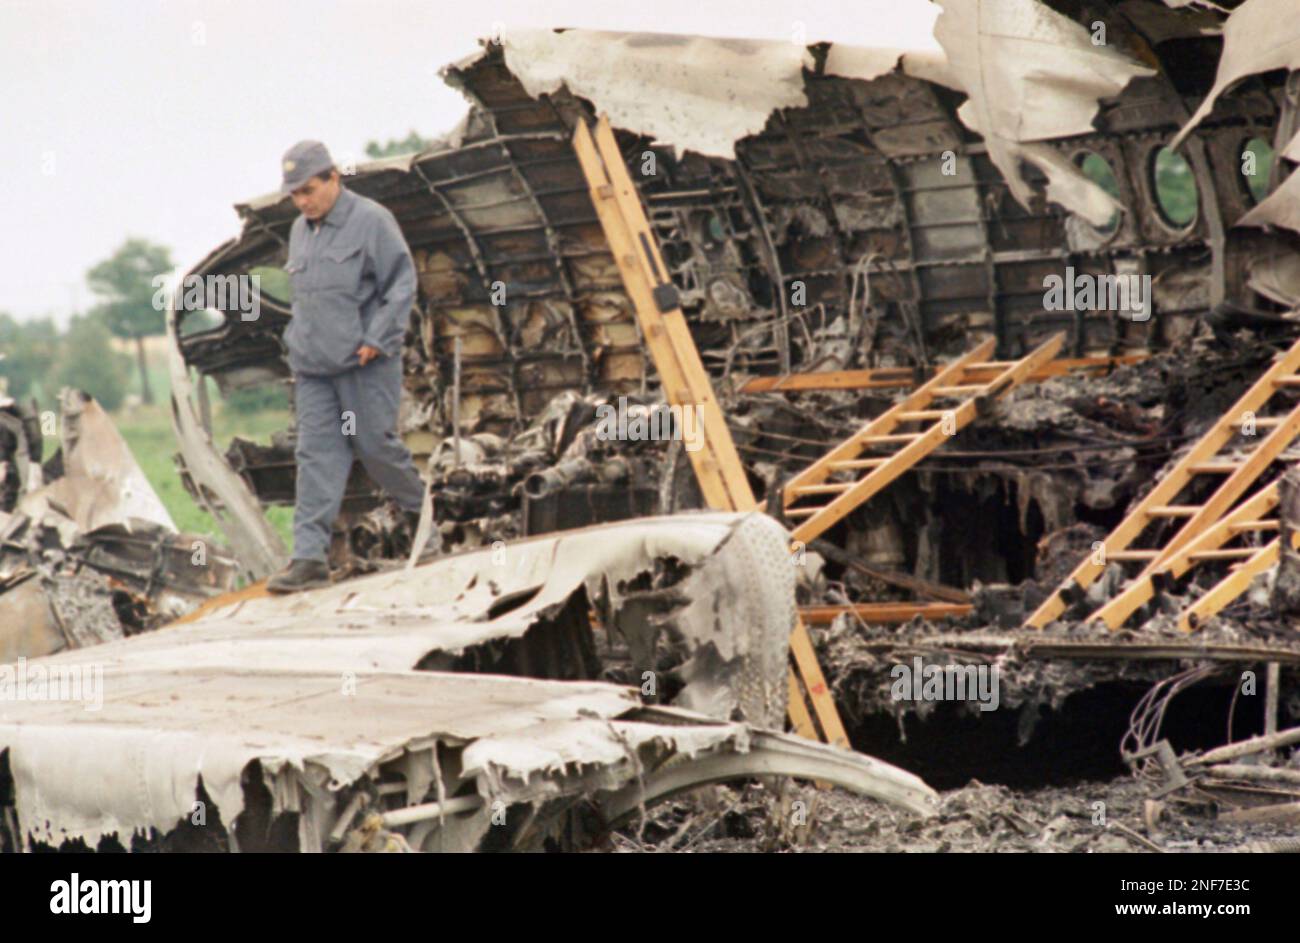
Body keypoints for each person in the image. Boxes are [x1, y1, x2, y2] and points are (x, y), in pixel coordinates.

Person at [266, 140, 437, 593]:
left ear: (333, 178)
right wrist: (294, 344)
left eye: (308, 190)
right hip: (314, 368)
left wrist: (377, 340)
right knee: (316, 456)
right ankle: (308, 559)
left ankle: (426, 526)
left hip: (365, 363)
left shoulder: (372, 221)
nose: (302, 202)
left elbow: (401, 283)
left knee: (375, 447)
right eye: (295, 195)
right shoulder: (301, 232)